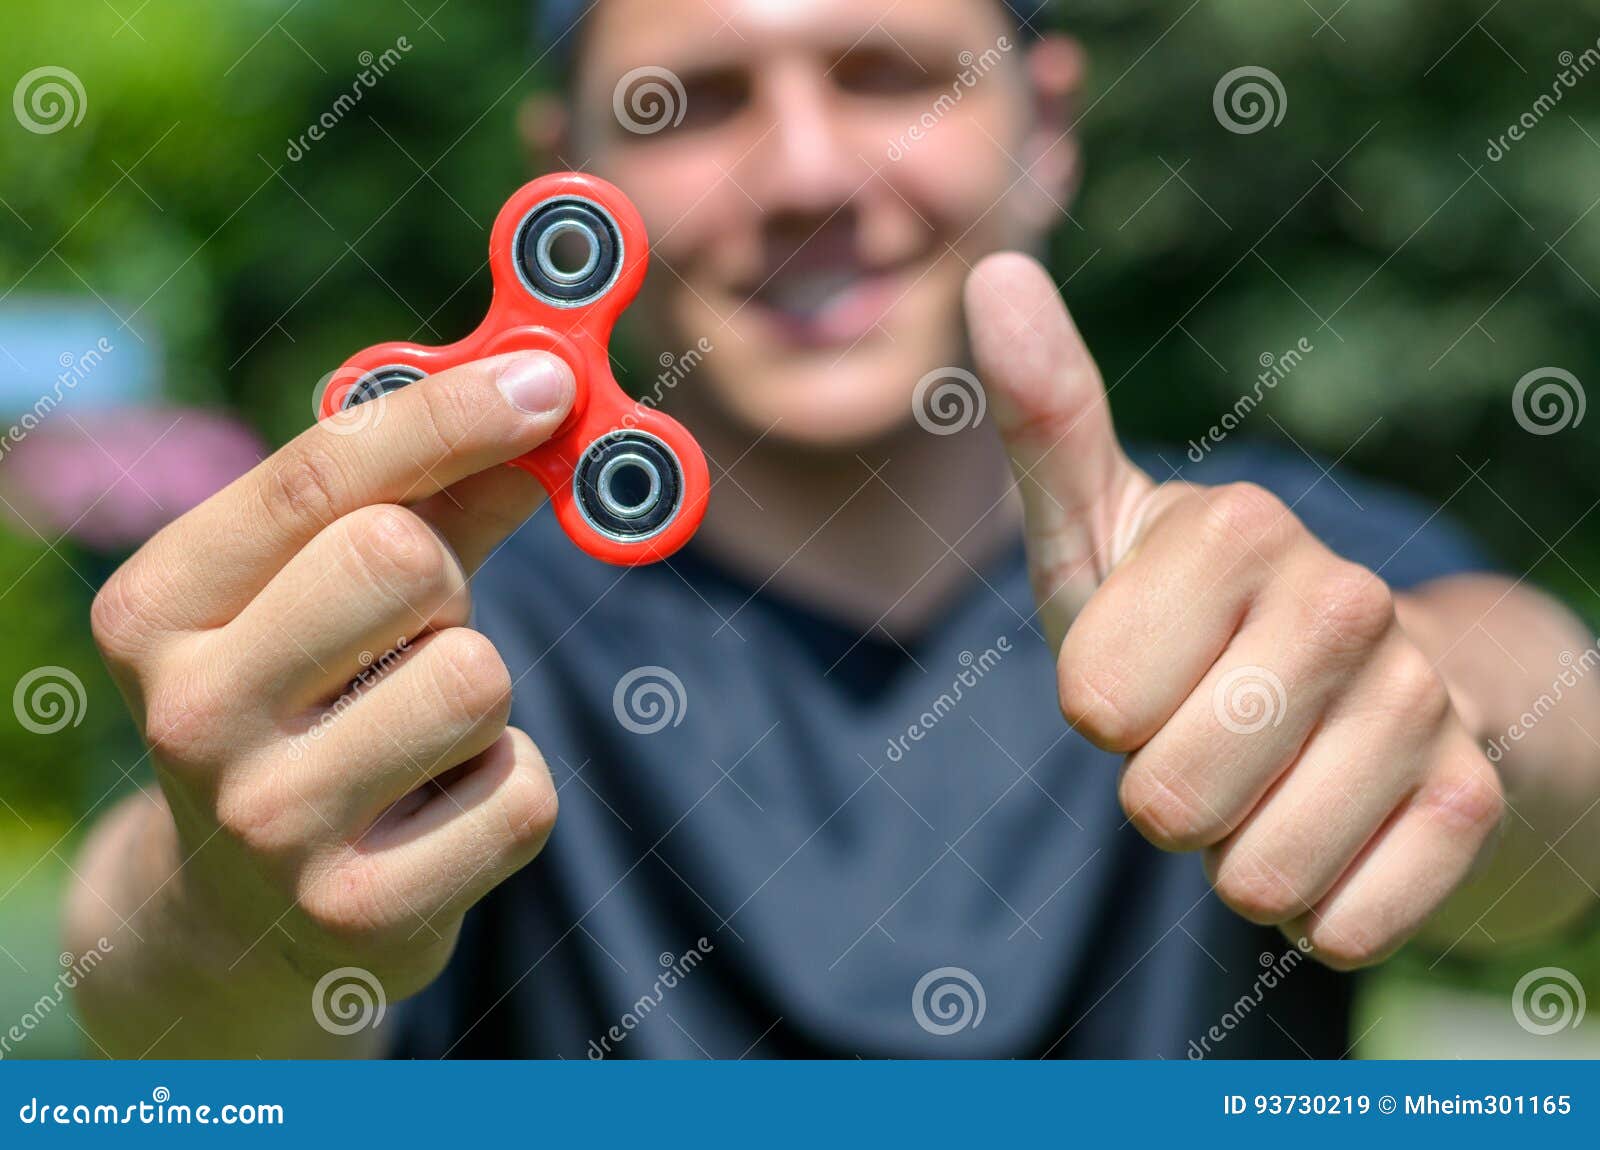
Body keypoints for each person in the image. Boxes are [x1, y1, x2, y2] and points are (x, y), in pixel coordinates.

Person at [65, 0, 1600, 1059]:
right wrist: (231, 909)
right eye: (699, 99)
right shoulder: (445, 618)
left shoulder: (1267, 564)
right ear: (565, 176)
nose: (804, 173)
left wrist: (1429, 710)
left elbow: (1550, 753)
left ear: (1045, 128)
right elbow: (149, 975)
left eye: (883, 71)